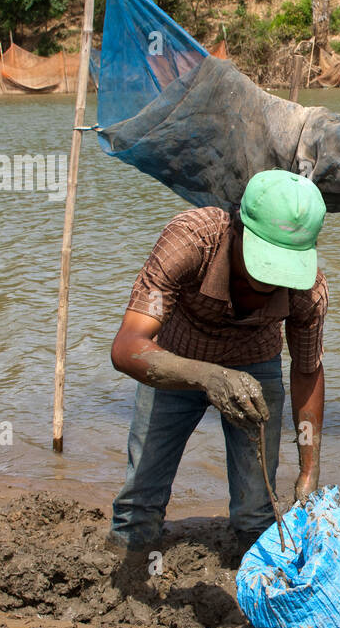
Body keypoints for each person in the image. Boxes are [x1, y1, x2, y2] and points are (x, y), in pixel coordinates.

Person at [107, 169, 328, 553]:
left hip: (255, 366)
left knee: (256, 510)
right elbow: (128, 347)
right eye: (265, 261)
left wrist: (309, 471)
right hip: (173, 361)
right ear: (238, 229)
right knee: (138, 502)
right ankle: (126, 558)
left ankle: (252, 580)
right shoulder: (190, 242)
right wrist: (209, 377)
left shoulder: (307, 293)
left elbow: (307, 370)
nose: (273, 281)